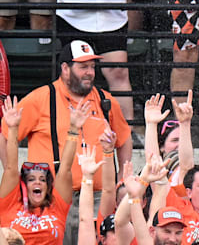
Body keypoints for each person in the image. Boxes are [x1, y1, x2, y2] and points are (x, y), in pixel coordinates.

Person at [13, 41, 133, 220]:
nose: (90, 72)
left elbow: (124, 139)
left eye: (92, 67)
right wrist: (14, 176)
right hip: (53, 197)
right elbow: (6, 136)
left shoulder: (105, 100)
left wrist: (122, 179)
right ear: (65, 68)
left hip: (99, 197)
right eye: (83, 67)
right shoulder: (40, 99)